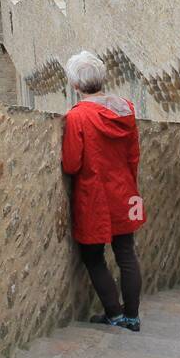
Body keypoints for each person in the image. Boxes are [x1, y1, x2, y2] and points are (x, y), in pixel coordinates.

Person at [60, 50, 144, 331]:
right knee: (126, 253)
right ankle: (132, 317)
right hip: (125, 191)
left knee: (93, 256)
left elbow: (72, 164)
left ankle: (115, 314)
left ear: (75, 85)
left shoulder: (77, 118)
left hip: (95, 196)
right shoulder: (126, 109)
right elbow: (134, 156)